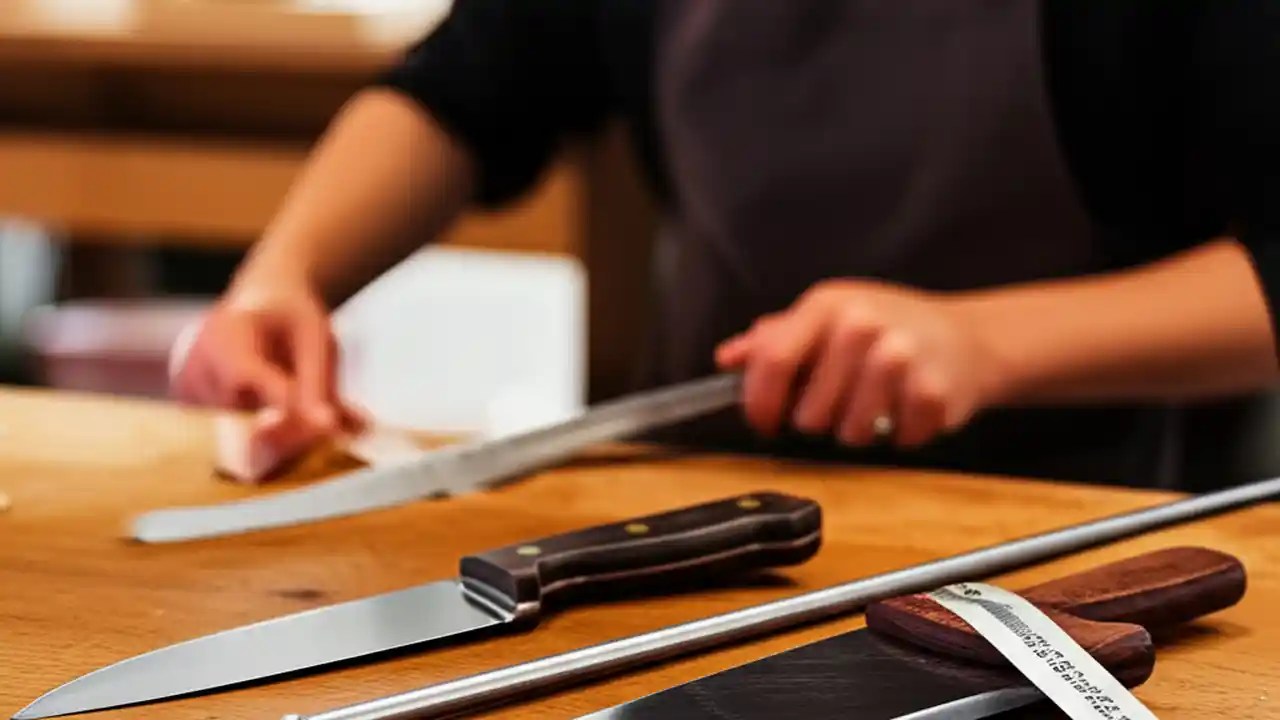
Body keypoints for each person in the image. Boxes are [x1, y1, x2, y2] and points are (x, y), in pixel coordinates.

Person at [172, 0, 1280, 489]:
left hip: (1084, 524)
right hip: (699, 500)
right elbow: (465, 87)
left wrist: (982, 343)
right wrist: (289, 273)